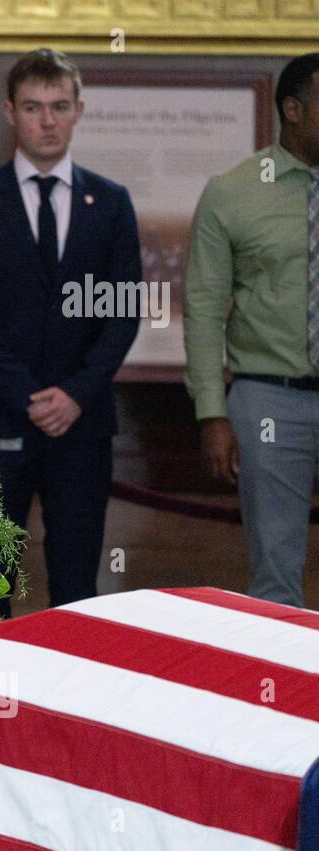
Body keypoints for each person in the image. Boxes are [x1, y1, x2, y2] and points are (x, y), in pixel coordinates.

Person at [0, 48, 141, 613]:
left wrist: (75, 395)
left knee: (79, 586)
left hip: (84, 422)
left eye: (59, 106)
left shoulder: (112, 202)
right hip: (1, 414)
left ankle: (71, 699)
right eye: (33, 107)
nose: (47, 121)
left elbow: (123, 313)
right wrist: (29, 397)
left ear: (79, 110)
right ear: (10, 111)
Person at [184, 53, 319, 608]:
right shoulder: (232, 192)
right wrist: (212, 413)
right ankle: (281, 690)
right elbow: (204, 306)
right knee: (275, 575)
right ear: (294, 109)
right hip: (269, 399)